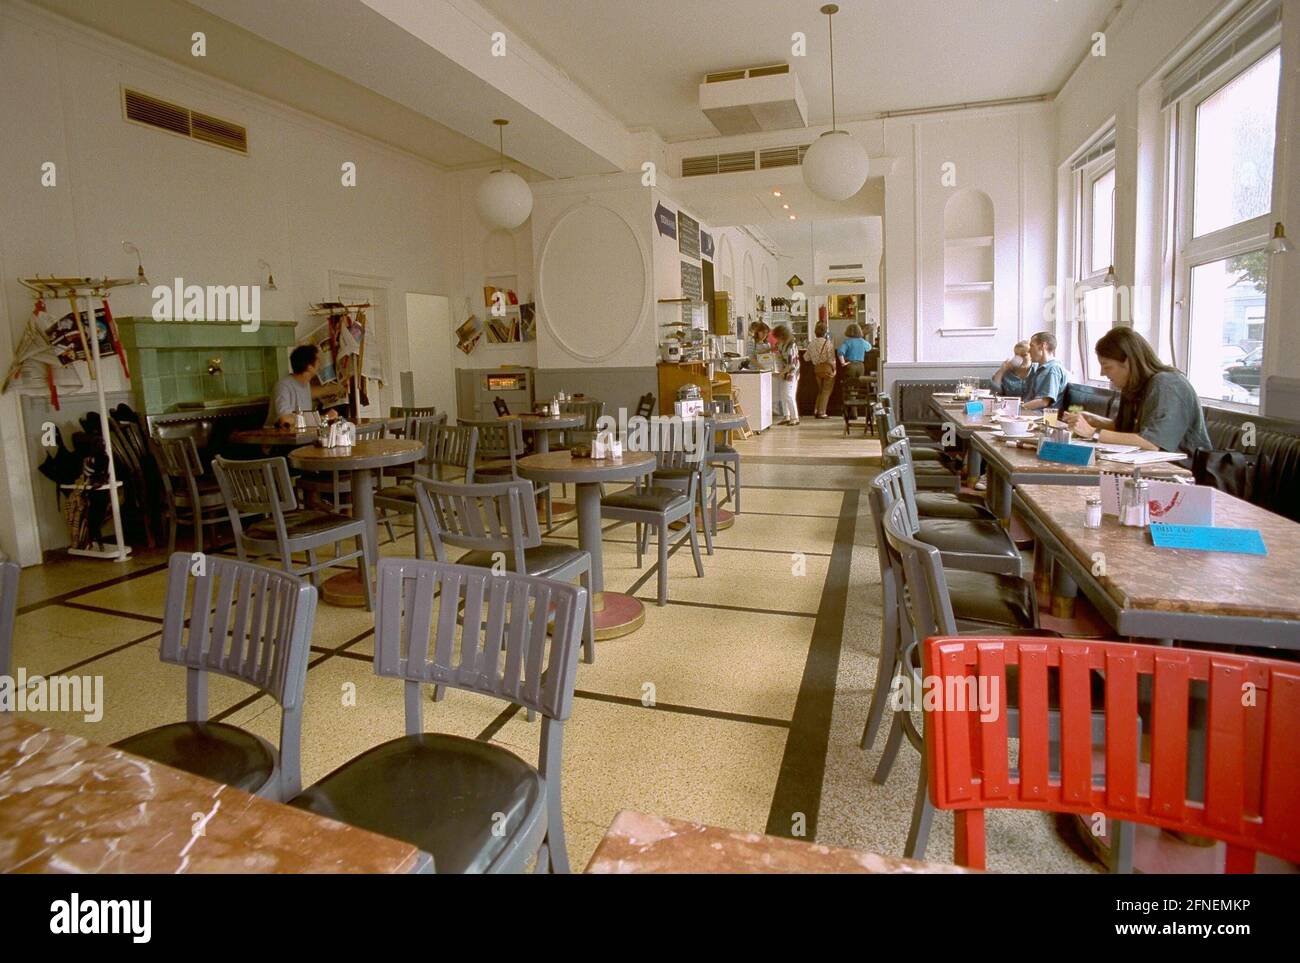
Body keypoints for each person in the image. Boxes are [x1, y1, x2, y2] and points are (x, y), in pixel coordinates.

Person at [1065, 327, 1211, 459]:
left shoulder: (1168, 384)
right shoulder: (1132, 386)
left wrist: (1092, 432)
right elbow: (1124, 429)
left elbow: (1153, 442)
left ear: (1128, 362)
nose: (1102, 373)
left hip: (1182, 475)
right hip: (1147, 466)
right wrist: (1093, 420)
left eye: (1106, 366)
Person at [265, 344, 342, 428]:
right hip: (279, 438)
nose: (320, 363)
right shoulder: (283, 386)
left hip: (300, 435)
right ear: (309, 367)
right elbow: (285, 419)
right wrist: (323, 418)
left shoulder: (306, 384)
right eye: (318, 361)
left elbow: (316, 392)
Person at [1019, 331, 1069, 411]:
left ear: (1043, 346)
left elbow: (1044, 402)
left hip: (1042, 418)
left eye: (1032, 346)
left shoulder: (1053, 369)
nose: (1029, 351)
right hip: (1031, 414)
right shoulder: (1039, 369)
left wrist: (1018, 409)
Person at [806, 321, 837, 419]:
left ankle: (816, 409)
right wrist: (834, 370)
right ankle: (822, 412)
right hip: (827, 369)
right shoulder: (828, 344)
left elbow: (806, 358)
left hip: (817, 369)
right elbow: (831, 358)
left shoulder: (811, 344)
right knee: (826, 391)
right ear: (825, 332)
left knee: (820, 390)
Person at [772, 324, 801, 426]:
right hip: (784, 371)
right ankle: (786, 416)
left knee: (789, 394)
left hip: (791, 372)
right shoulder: (781, 344)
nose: (777, 339)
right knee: (783, 394)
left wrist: (782, 372)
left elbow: (791, 364)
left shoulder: (791, 346)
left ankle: (795, 417)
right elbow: (779, 356)